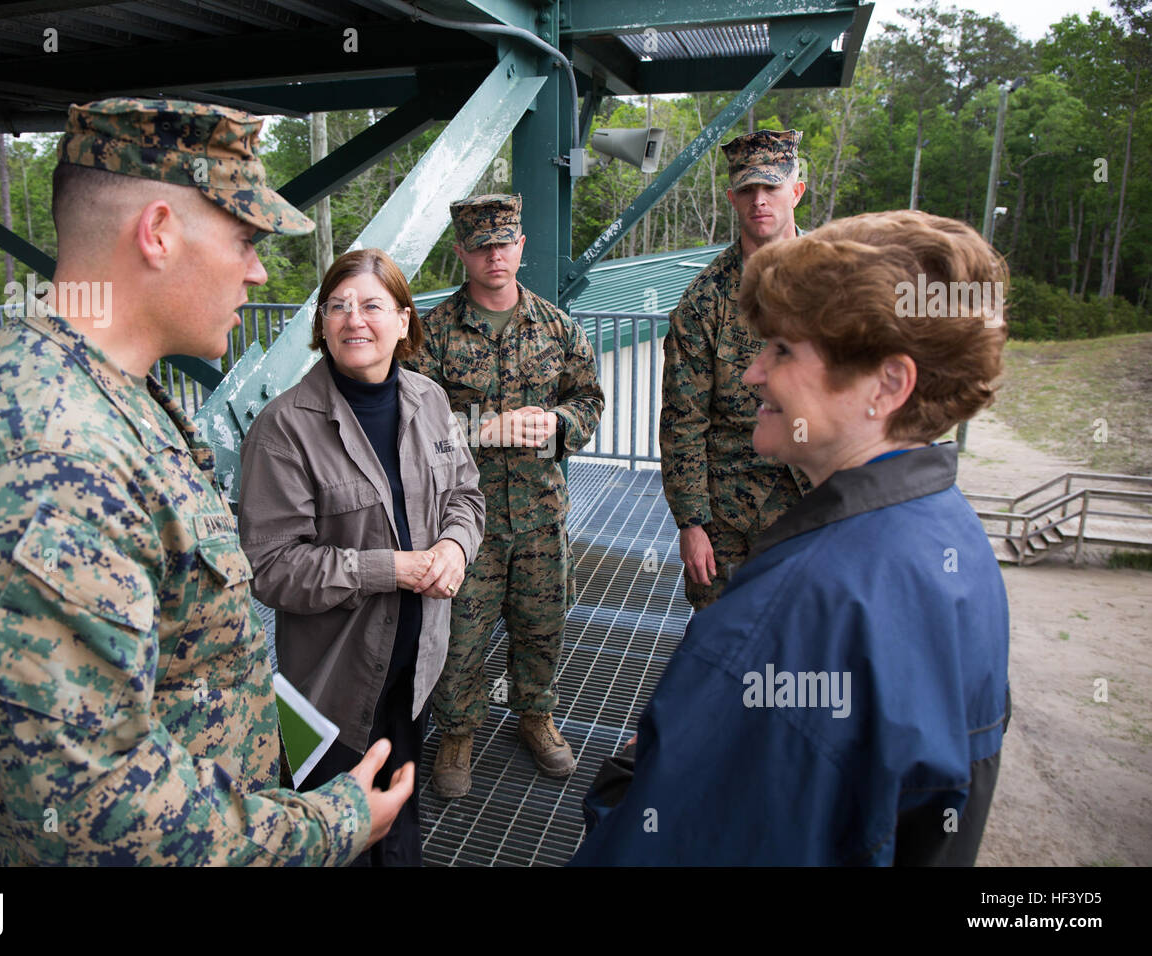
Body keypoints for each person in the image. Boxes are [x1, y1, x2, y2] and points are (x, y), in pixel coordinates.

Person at [0, 97, 412, 866]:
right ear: (159, 232)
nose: (259, 270)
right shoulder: (53, 461)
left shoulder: (94, 392)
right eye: (244, 239)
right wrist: (332, 824)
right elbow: (94, 814)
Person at [573, 210, 1012, 865]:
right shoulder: (956, 540)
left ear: (888, 384)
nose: (753, 373)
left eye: (782, 350)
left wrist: (627, 778)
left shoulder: (794, 609)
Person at [238, 248, 485, 865]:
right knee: (332, 840)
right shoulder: (285, 427)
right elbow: (270, 568)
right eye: (338, 307)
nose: (355, 320)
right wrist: (391, 567)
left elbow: (465, 492)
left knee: (399, 820)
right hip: (333, 687)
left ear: (404, 321)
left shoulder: (429, 399)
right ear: (322, 325)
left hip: (415, 667)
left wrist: (455, 544)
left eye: (372, 305)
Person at [404, 193, 604, 798]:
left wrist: (560, 425)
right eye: (481, 246)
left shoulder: (556, 326)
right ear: (463, 252)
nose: (495, 255)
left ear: (521, 247)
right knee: (460, 634)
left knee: (540, 626)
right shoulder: (432, 335)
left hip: (542, 513)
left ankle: (536, 715)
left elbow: (589, 399)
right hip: (464, 524)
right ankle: (458, 731)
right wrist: (478, 430)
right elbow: (409, 425)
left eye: (505, 243)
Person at [660, 129, 813, 611]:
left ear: (797, 191)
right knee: (718, 644)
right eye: (748, 190)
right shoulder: (704, 302)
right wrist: (691, 524)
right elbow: (683, 420)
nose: (759, 201)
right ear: (732, 198)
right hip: (729, 516)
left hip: (816, 502)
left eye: (771, 187)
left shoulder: (836, 283)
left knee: (804, 643)